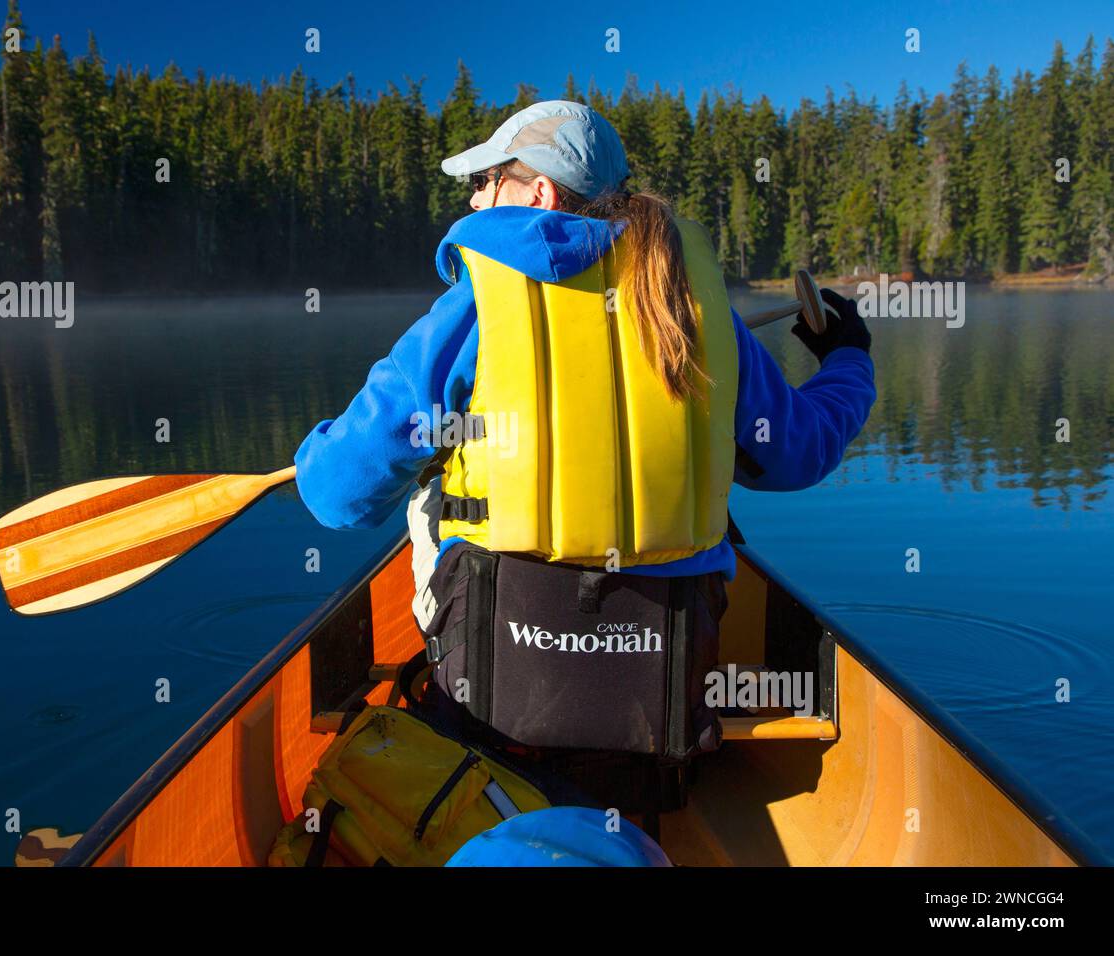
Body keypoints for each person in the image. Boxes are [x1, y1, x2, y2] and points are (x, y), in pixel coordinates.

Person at [294, 100, 875, 778]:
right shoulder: (690, 307)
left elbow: (337, 496)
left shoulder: (475, 307)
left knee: (429, 499)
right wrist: (847, 358)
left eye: (484, 182)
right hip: (662, 699)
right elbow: (800, 451)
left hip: (500, 701)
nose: (476, 200)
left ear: (536, 191)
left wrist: (320, 446)